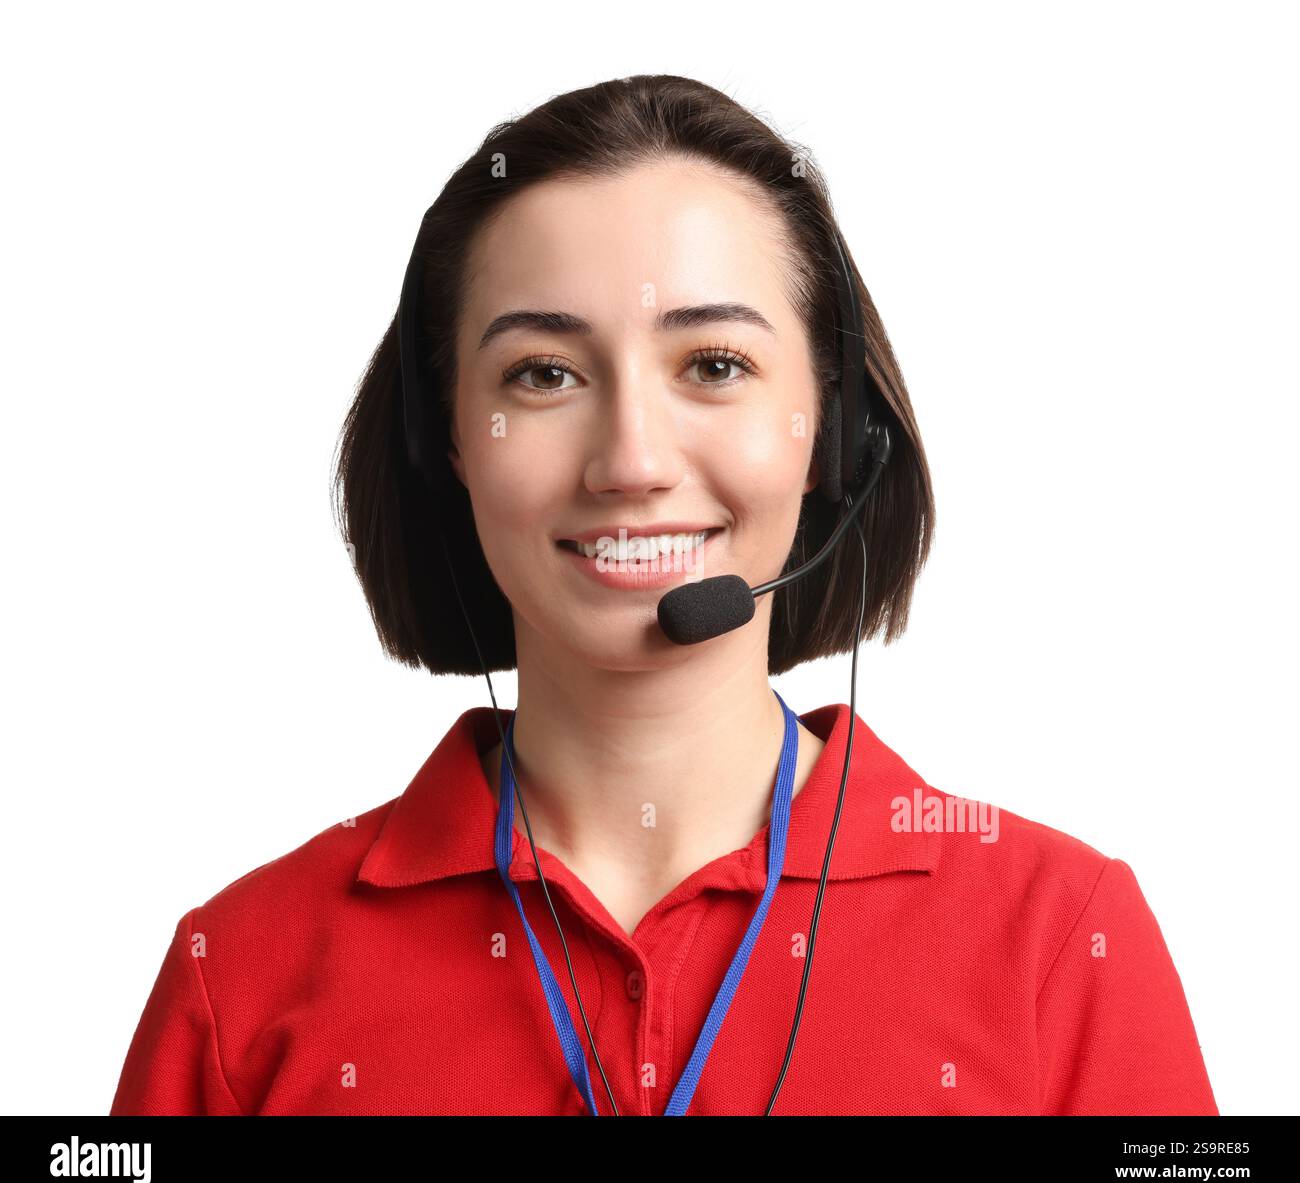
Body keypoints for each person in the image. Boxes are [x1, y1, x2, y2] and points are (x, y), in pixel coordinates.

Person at [110, 74, 1217, 1116]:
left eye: (714, 365)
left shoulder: (1060, 937)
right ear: (444, 439)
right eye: (543, 374)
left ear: (835, 432)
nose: (630, 460)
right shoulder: (239, 976)